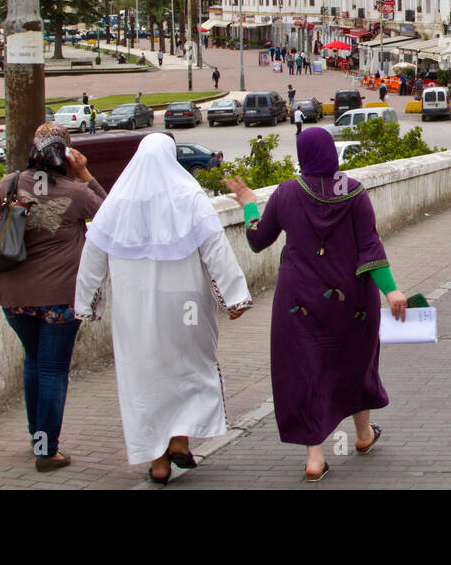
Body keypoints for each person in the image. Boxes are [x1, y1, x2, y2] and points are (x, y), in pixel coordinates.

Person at [225, 128, 408, 482]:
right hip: (351, 297)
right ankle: (363, 435)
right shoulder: (353, 191)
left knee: (306, 368)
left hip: (299, 300)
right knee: (356, 360)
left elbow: (257, 239)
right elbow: (370, 247)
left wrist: (248, 200)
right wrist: (392, 291)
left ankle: (314, 458)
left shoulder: (287, 192)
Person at [74, 134, 252, 485]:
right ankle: (181, 440)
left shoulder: (118, 203)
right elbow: (215, 248)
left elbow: (91, 255)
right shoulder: (189, 196)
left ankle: (158, 461)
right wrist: (235, 296)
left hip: (135, 311)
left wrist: (87, 305)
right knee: (188, 369)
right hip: (184, 306)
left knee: (144, 379)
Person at [0, 124, 107, 472]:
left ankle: (38, 437)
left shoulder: (10, 184)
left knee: (33, 361)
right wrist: (85, 173)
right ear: (66, 153)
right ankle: (47, 451)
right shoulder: (76, 192)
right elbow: (110, 217)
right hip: (60, 299)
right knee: (52, 369)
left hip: (15, 298)